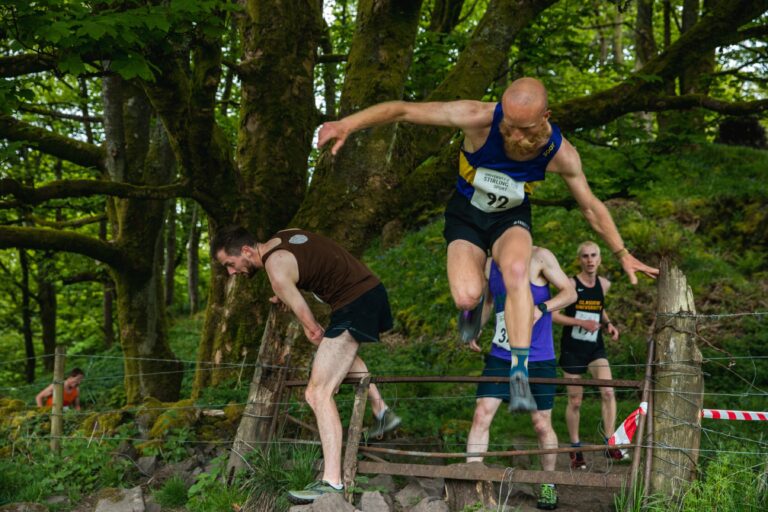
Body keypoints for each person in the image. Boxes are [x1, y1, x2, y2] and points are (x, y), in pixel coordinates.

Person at [317, 76, 658, 412]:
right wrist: (347, 124)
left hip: (511, 217)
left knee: (516, 271)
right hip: (466, 214)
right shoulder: (477, 117)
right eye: (509, 125)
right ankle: (471, 308)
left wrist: (622, 252)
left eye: (525, 129)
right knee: (466, 294)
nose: (514, 135)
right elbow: (403, 110)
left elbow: (590, 206)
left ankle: (519, 371)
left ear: (546, 118)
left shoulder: (560, 152)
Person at [211, 225, 400, 503]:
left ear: (247, 251)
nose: (230, 272)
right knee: (337, 352)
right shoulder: (285, 235)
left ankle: (332, 482)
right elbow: (307, 260)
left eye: (230, 263)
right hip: (368, 293)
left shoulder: (275, 270)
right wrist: (286, 291)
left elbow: (311, 327)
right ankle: (382, 410)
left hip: (355, 303)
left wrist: (309, 325)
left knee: (317, 392)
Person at [466, 248, 576, 510]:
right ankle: (471, 483)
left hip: (537, 357)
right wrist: (476, 327)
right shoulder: (491, 264)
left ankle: (548, 484)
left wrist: (542, 308)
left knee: (540, 423)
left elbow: (570, 293)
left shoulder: (540, 256)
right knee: (482, 413)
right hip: (501, 355)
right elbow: (490, 301)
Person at [552, 241, 626, 469]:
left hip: (595, 348)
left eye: (594, 255)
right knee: (575, 400)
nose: (590, 260)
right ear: (580, 260)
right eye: (585, 256)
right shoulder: (571, 285)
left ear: (600, 258)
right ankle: (576, 449)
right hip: (572, 349)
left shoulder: (604, 285)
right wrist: (579, 321)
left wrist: (609, 323)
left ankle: (609, 442)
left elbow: (599, 308)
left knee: (608, 390)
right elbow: (553, 314)